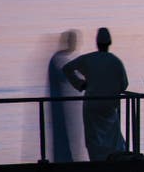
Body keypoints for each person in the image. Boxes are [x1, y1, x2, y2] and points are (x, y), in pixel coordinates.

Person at [62, 27, 128, 161]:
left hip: (91, 103)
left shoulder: (88, 59)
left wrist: (80, 84)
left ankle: (97, 160)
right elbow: (124, 84)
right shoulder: (115, 61)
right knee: (112, 134)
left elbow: (67, 68)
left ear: (97, 43)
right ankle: (113, 158)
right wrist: (112, 89)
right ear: (109, 43)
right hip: (109, 104)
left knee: (93, 136)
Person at [48, 29, 80, 162]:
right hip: (60, 107)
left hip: (63, 106)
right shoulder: (59, 60)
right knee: (63, 136)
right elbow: (69, 78)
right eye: (74, 41)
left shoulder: (59, 59)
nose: (75, 44)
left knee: (65, 137)